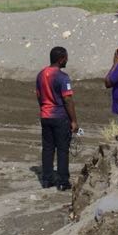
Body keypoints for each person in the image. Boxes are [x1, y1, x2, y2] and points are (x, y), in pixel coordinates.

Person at [35, 46, 79, 191]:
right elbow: (68, 99)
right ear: (61, 59)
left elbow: (38, 95)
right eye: (66, 57)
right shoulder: (62, 77)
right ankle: (62, 181)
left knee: (47, 148)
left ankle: (46, 180)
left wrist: (43, 108)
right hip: (60, 117)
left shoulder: (41, 75)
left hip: (45, 115)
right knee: (62, 149)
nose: (67, 60)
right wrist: (74, 120)